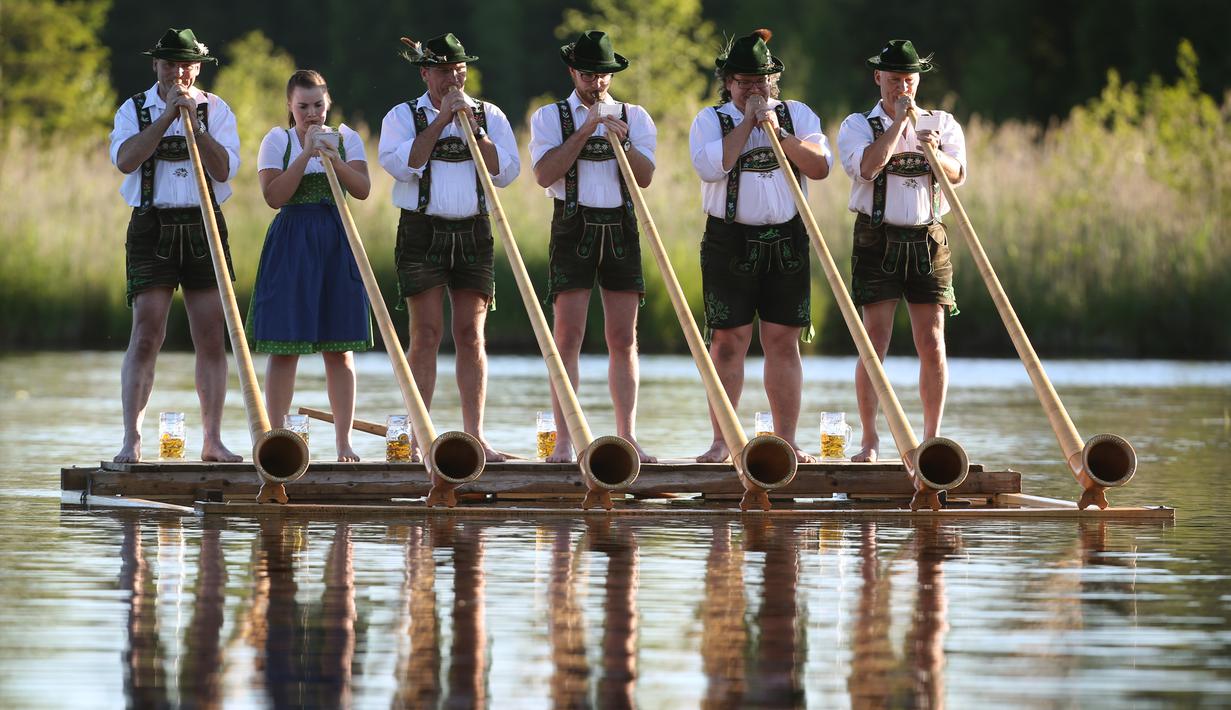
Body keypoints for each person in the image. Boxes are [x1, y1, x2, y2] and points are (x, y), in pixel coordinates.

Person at [688, 29, 832, 464]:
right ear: (728, 83)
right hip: (729, 239)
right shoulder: (710, 121)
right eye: (744, 81)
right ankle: (723, 443)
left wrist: (777, 133)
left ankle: (785, 442)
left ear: (774, 81)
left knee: (784, 342)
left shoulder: (797, 114)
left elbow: (820, 167)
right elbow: (713, 166)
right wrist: (749, 122)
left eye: (761, 80)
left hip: (787, 239)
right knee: (727, 341)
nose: (754, 88)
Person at [378, 33, 521, 462]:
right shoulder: (404, 116)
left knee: (471, 336)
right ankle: (422, 436)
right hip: (423, 232)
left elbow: (506, 172)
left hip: (474, 232)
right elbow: (404, 164)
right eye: (443, 71)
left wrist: (474, 129)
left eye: (458, 71)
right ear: (425, 73)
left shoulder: (488, 115)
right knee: (425, 335)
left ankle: (474, 437)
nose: (452, 79)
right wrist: (441, 121)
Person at [109, 28, 242, 463]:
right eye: (169, 64)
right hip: (153, 224)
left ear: (198, 68)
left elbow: (223, 170)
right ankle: (132, 440)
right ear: (156, 67)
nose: (178, 73)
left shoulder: (217, 109)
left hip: (203, 225)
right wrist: (167, 117)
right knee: (147, 334)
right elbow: (126, 160)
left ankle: (213, 441)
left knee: (211, 336)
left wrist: (196, 126)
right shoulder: (134, 108)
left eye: (186, 65)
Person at [528, 31, 657, 464]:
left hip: (620, 224)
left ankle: (629, 436)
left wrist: (624, 142)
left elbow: (644, 178)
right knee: (567, 338)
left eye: (602, 75)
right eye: (587, 74)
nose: (596, 83)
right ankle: (565, 441)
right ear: (573, 73)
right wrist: (585, 132)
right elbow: (545, 175)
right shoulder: (550, 117)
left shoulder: (635, 116)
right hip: (572, 224)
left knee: (624, 338)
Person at [836, 40, 967, 462]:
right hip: (877, 239)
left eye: (909, 80)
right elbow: (869, 167)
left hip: (928, 238)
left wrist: (931, 150)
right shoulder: (858, 125)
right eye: (895, 80)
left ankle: (931, 440)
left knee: (932, 342)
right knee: (875, 341)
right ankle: (870, 442)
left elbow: (958, 175)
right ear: (879, 79)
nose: (903, 89)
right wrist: (897, 125)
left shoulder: (942, 123)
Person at [248, 70, 373, 462]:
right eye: (303, 106)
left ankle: (343, 443)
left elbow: (363, 190)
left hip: (337, 239)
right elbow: (274, 196)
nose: (312, 113)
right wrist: (305, 153)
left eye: (318, 105)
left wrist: (332, 159)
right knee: (285, 347)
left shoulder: (347, 138)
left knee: (340, 349)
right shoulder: (277, 140)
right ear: (290, 106)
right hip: (293, 242)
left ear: (328, 103)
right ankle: (278, 438)